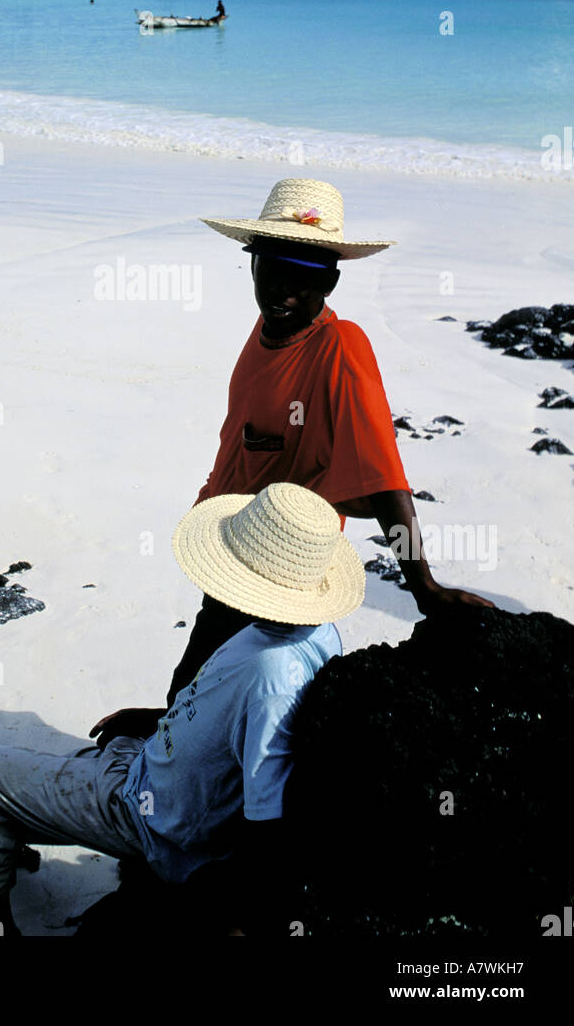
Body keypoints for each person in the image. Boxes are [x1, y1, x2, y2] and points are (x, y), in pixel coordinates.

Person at [94, 177, 493, 741]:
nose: (284, 291)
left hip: (283, 569)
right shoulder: (263, 332)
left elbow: (383, 480)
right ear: (250, 265)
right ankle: (171, 732)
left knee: (229, 713)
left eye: (306, 279)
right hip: (234, 549)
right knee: (190, 696)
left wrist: (422, 586)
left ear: (330, 280)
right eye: (273, 271)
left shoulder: (340, 348)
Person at [0, 483, 364, 937]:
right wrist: (153, 720)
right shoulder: (314, 635)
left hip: (153, 819)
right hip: (155, 775)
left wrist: (240, 920)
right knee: (117, 738)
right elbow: (226, 724)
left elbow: (267, 815)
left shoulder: (269, 676)